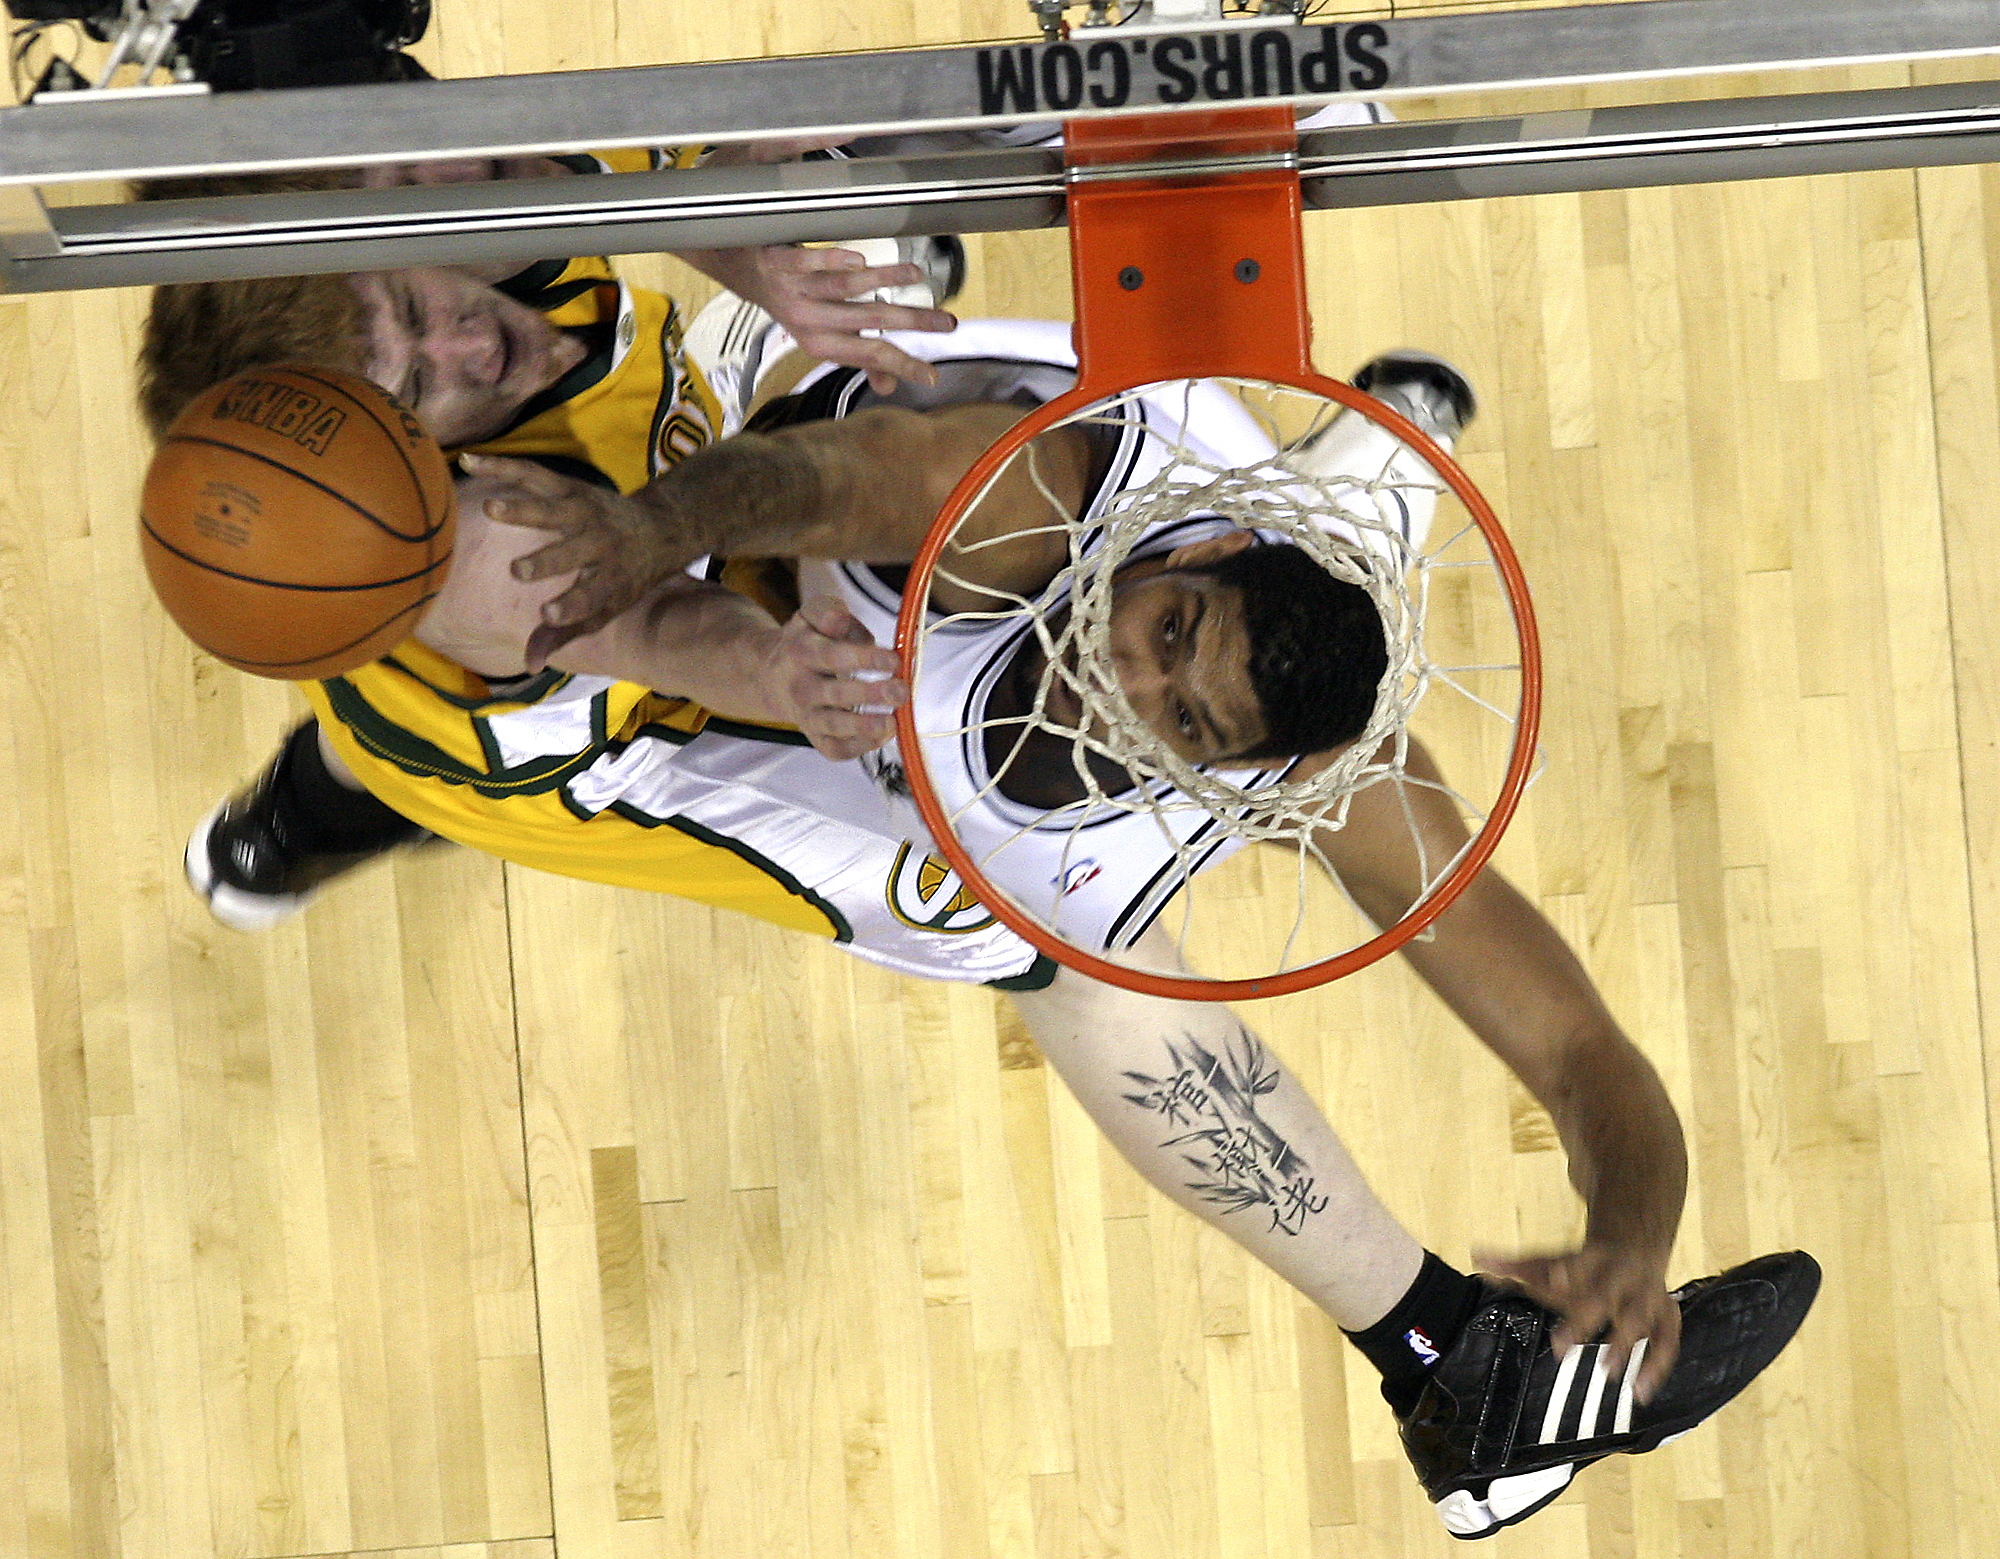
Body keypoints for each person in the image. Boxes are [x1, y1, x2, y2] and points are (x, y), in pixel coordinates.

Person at [160, 300, 1819, 1537]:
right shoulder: (1044, 504)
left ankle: (1453, 1376)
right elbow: (838, 483)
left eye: (1184, 715)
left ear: (1261, 778)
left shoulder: (1348, 779)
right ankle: (326, 800)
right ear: (1209, 544)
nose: (1132, 675)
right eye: (1168, 625)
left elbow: (1582, 1048)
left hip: (710, 700)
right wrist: (656, 533)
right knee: (540, 584)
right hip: (743, 453)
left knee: (985, 908)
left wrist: (1633, 1237)